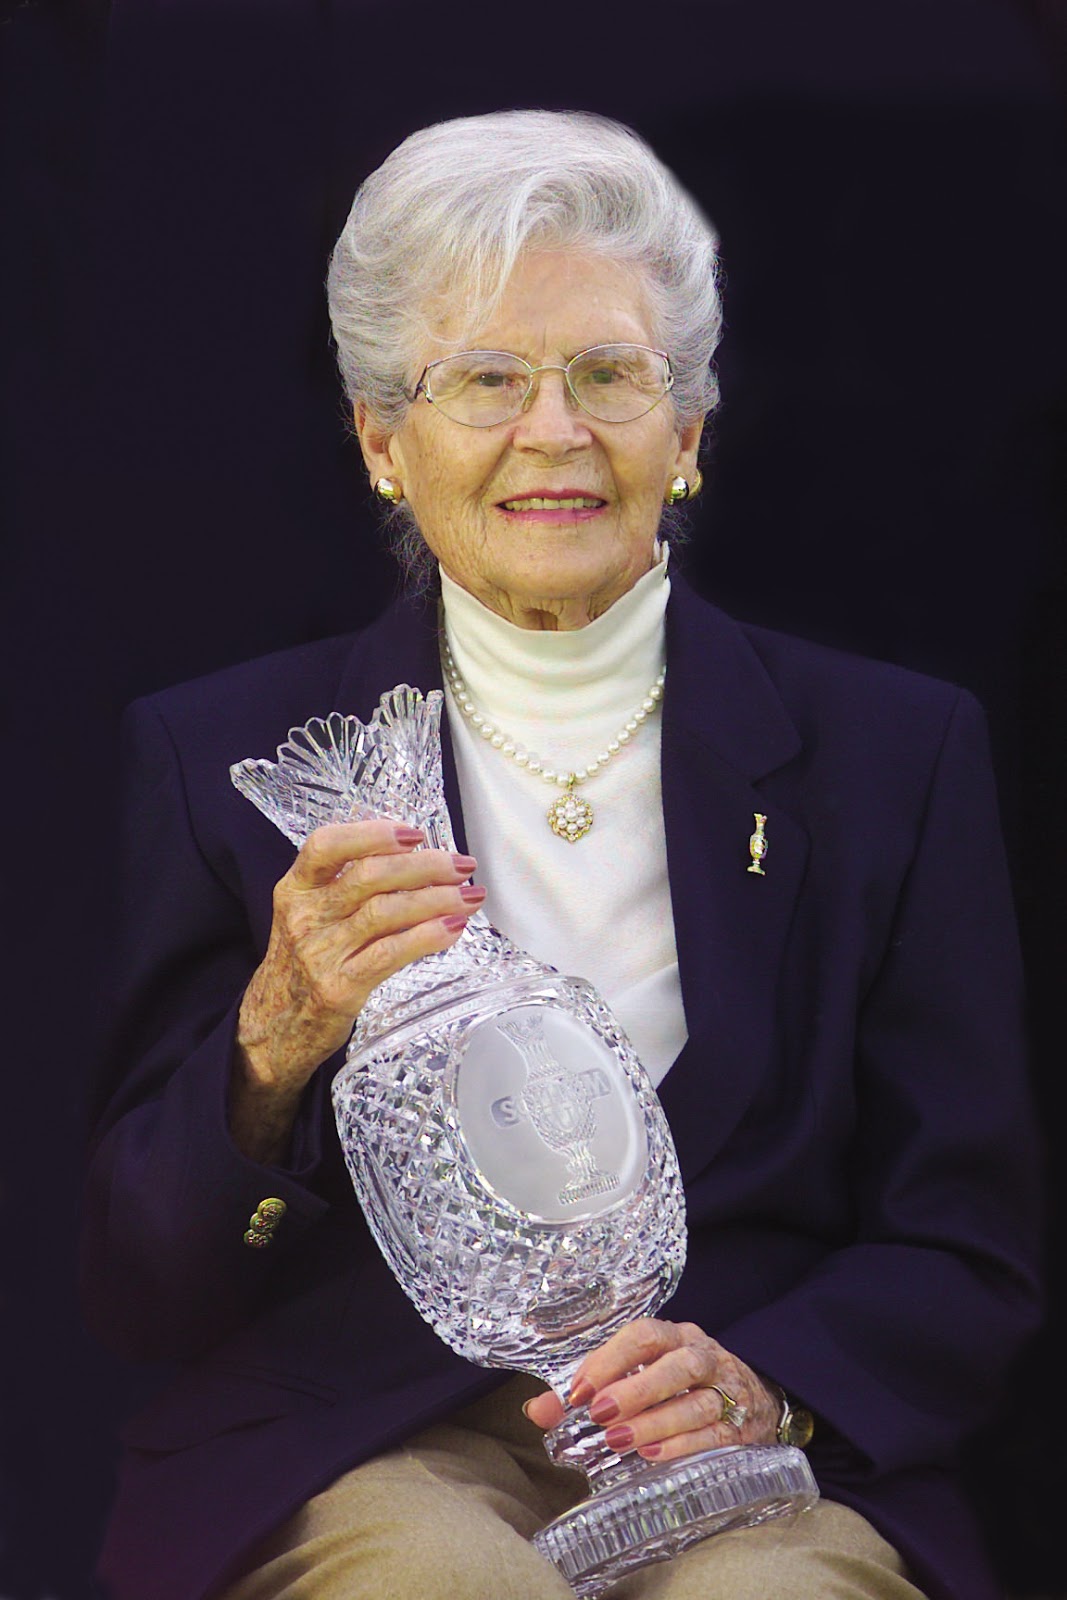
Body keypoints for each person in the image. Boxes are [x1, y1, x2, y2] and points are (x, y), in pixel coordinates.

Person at [81, 110, 1040, 1600]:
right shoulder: (224, 760)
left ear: (692, 432)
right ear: (384, 442)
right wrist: (274, 1035)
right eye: (486, 380)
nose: (556, 431)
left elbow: (969, 1243)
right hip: (359, 1443)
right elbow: (139, 1286)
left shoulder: (894, 755)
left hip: (755, 1444)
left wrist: (766, 1384)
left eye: (610, 375)